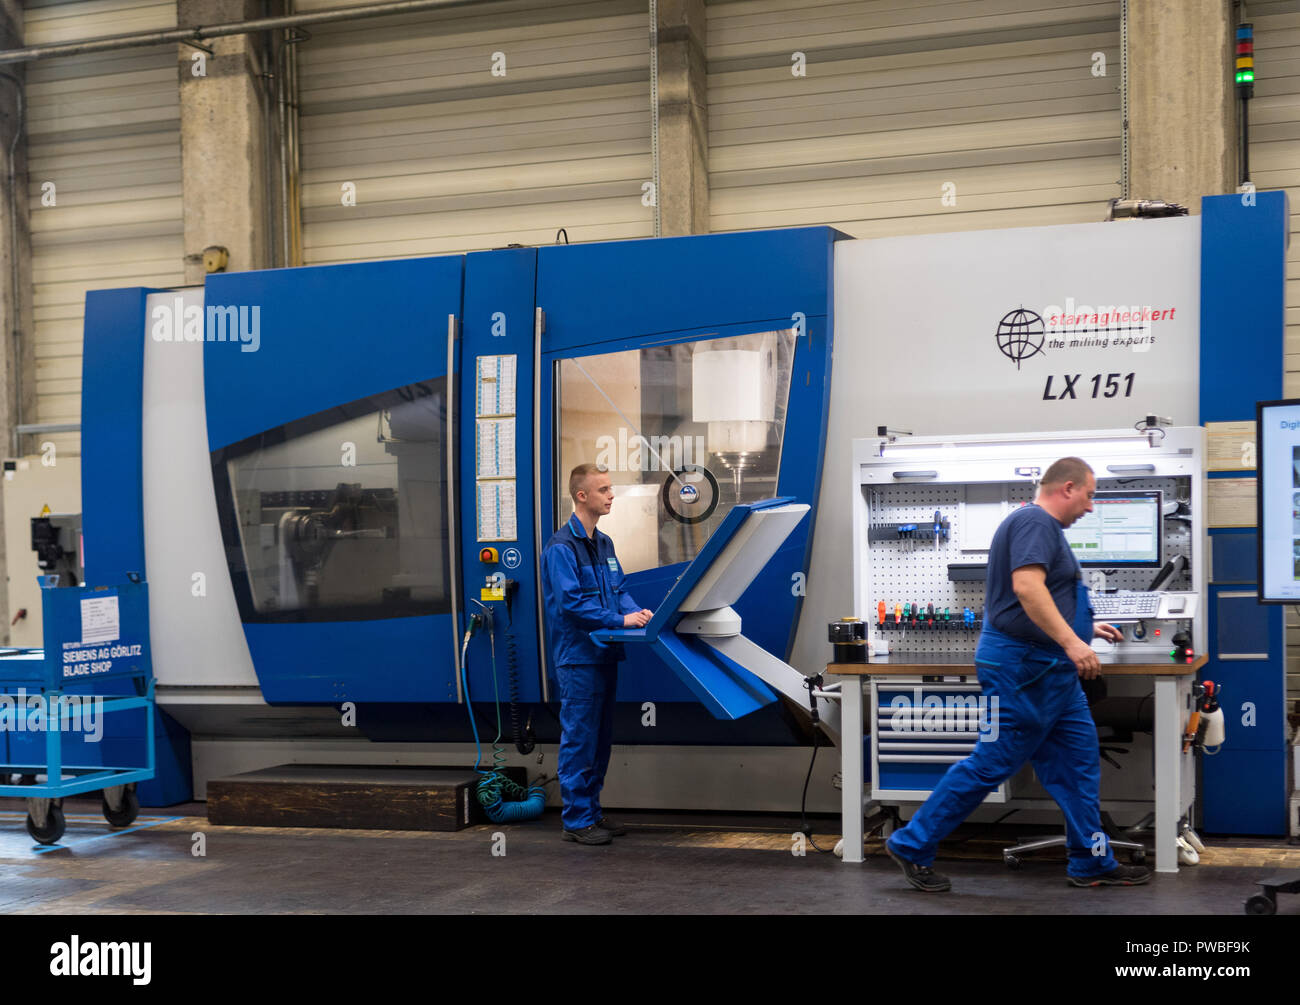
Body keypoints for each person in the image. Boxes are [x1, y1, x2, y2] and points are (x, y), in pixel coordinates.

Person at [885, 457, 1151, 891]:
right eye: (1089, 496)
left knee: (1078, 767)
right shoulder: (1035, 522)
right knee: (992, 763)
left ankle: (1091, 860)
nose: (1089, 507)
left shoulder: (1041, 527)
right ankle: (913, 843)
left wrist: (1084, 628)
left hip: (1052, 674)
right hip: (1023, 672)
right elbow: (1027, 588)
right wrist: (1073, 641)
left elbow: (1042, 594)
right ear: (1067, 487)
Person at [541, 463, 654, 845]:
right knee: (580, 739)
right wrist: (621, 620)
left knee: (600, 739)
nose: (611, 495)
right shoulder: (561, 548)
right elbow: (571, 604)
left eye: (611, 488)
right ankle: (576, 820)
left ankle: (591, 812)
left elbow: (619, 587)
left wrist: (638, 614)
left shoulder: (604, 543)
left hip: (605, 655)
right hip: (578, 659)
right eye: (603, 489)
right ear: (581, 496)